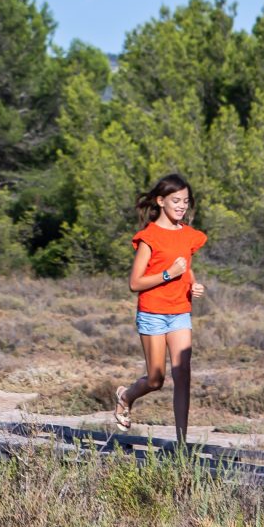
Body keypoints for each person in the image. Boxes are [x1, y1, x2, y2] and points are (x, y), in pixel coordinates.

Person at [114, 173, 206, 443]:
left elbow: (186, 269)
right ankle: (126, 396)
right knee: (156, 380)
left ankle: (181, 443)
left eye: (185, 201)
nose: (181, 206)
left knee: (183, 375)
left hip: (180, 313)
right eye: (176, 200)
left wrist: (194, 284)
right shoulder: (149, 236)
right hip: (152, 313)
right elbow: (135, 282)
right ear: (160, 201)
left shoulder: (189, 236)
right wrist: (168, 274)